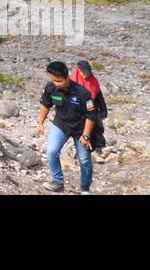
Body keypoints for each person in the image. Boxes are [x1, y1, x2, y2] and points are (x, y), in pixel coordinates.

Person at [36, 60, 98, 194]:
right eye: (54, 80)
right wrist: (40, 123)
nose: (56, 84)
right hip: (61, 124)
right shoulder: (51, 88)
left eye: (59, 81)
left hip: (81, 129)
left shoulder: (82, 93)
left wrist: (86, 136)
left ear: (66, 77)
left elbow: (91, 116)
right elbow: (45, 105)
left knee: (84, 159)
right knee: (51, 151)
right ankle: (58, 182)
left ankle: (85, 188)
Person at [71, 60, 109, 160]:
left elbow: (98, 95)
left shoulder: (93, 80)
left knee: (97, 130)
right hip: (78, 111)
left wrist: (103, 109)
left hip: (92, 110)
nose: (85, 76)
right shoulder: (73, 81)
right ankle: (82, 153)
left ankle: (97, 152)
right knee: (81, 132)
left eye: (87, 73)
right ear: (79, 71)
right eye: (84, 73)